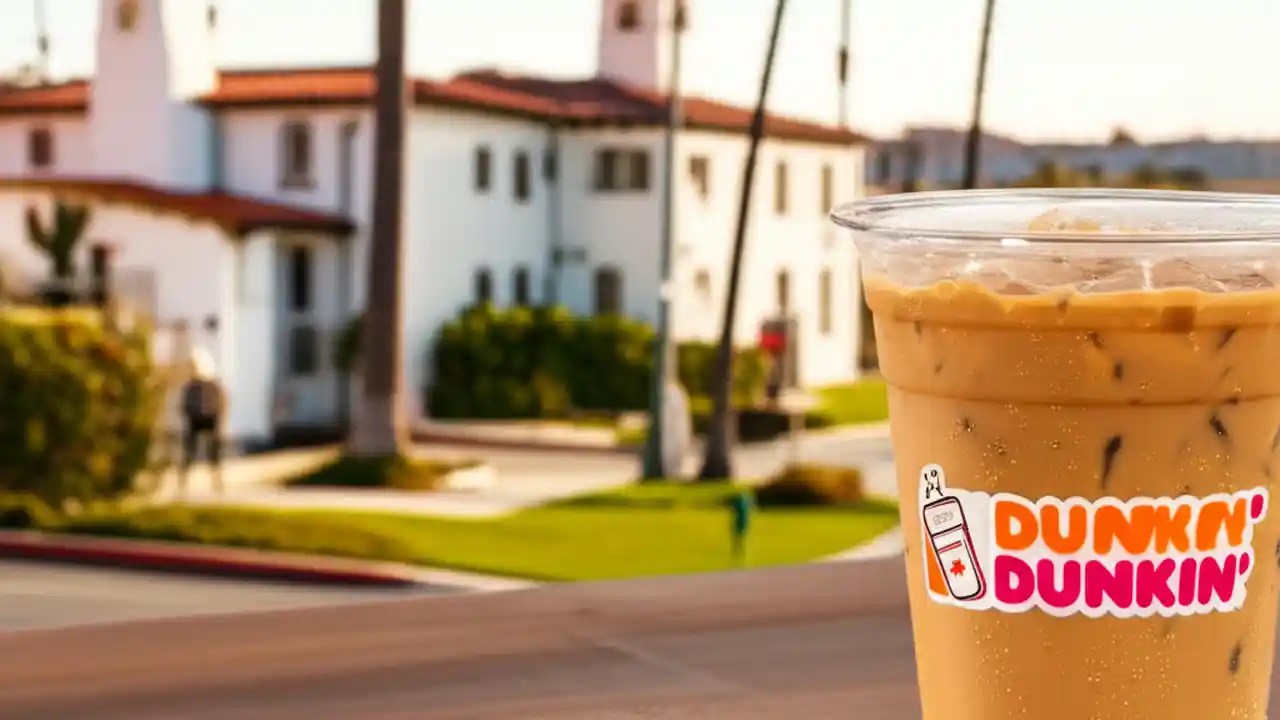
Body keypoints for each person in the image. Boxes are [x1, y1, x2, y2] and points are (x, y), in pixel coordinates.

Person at [178, 347, 227, 496]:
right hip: (196, 420)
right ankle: (184, 483)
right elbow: (185, 404)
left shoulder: (210, 386)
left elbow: (221, 403)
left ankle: (216, 482)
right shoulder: (194, 387)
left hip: (209, 419)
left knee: (213, 453)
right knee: (190, 452)